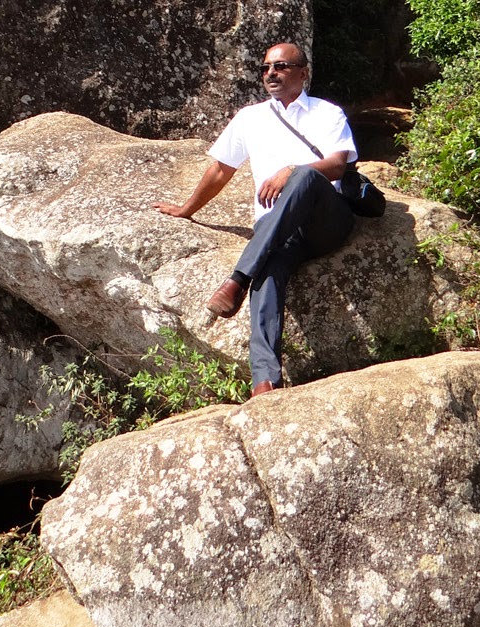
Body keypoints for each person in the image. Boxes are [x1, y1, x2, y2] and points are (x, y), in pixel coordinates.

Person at [152, 42, 356, 398]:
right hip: (277, 228)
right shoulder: (250, 117)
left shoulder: (327, 113)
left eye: (280, 66)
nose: (270, 74)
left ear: (303, 72)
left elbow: (338, 164)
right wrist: (187, 209)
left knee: (304, 178)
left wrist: (291, 170)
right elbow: (220, 169)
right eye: (265, 68)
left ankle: (236, 279)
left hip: (325, 219)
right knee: (268, 269)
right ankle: (265, 381)